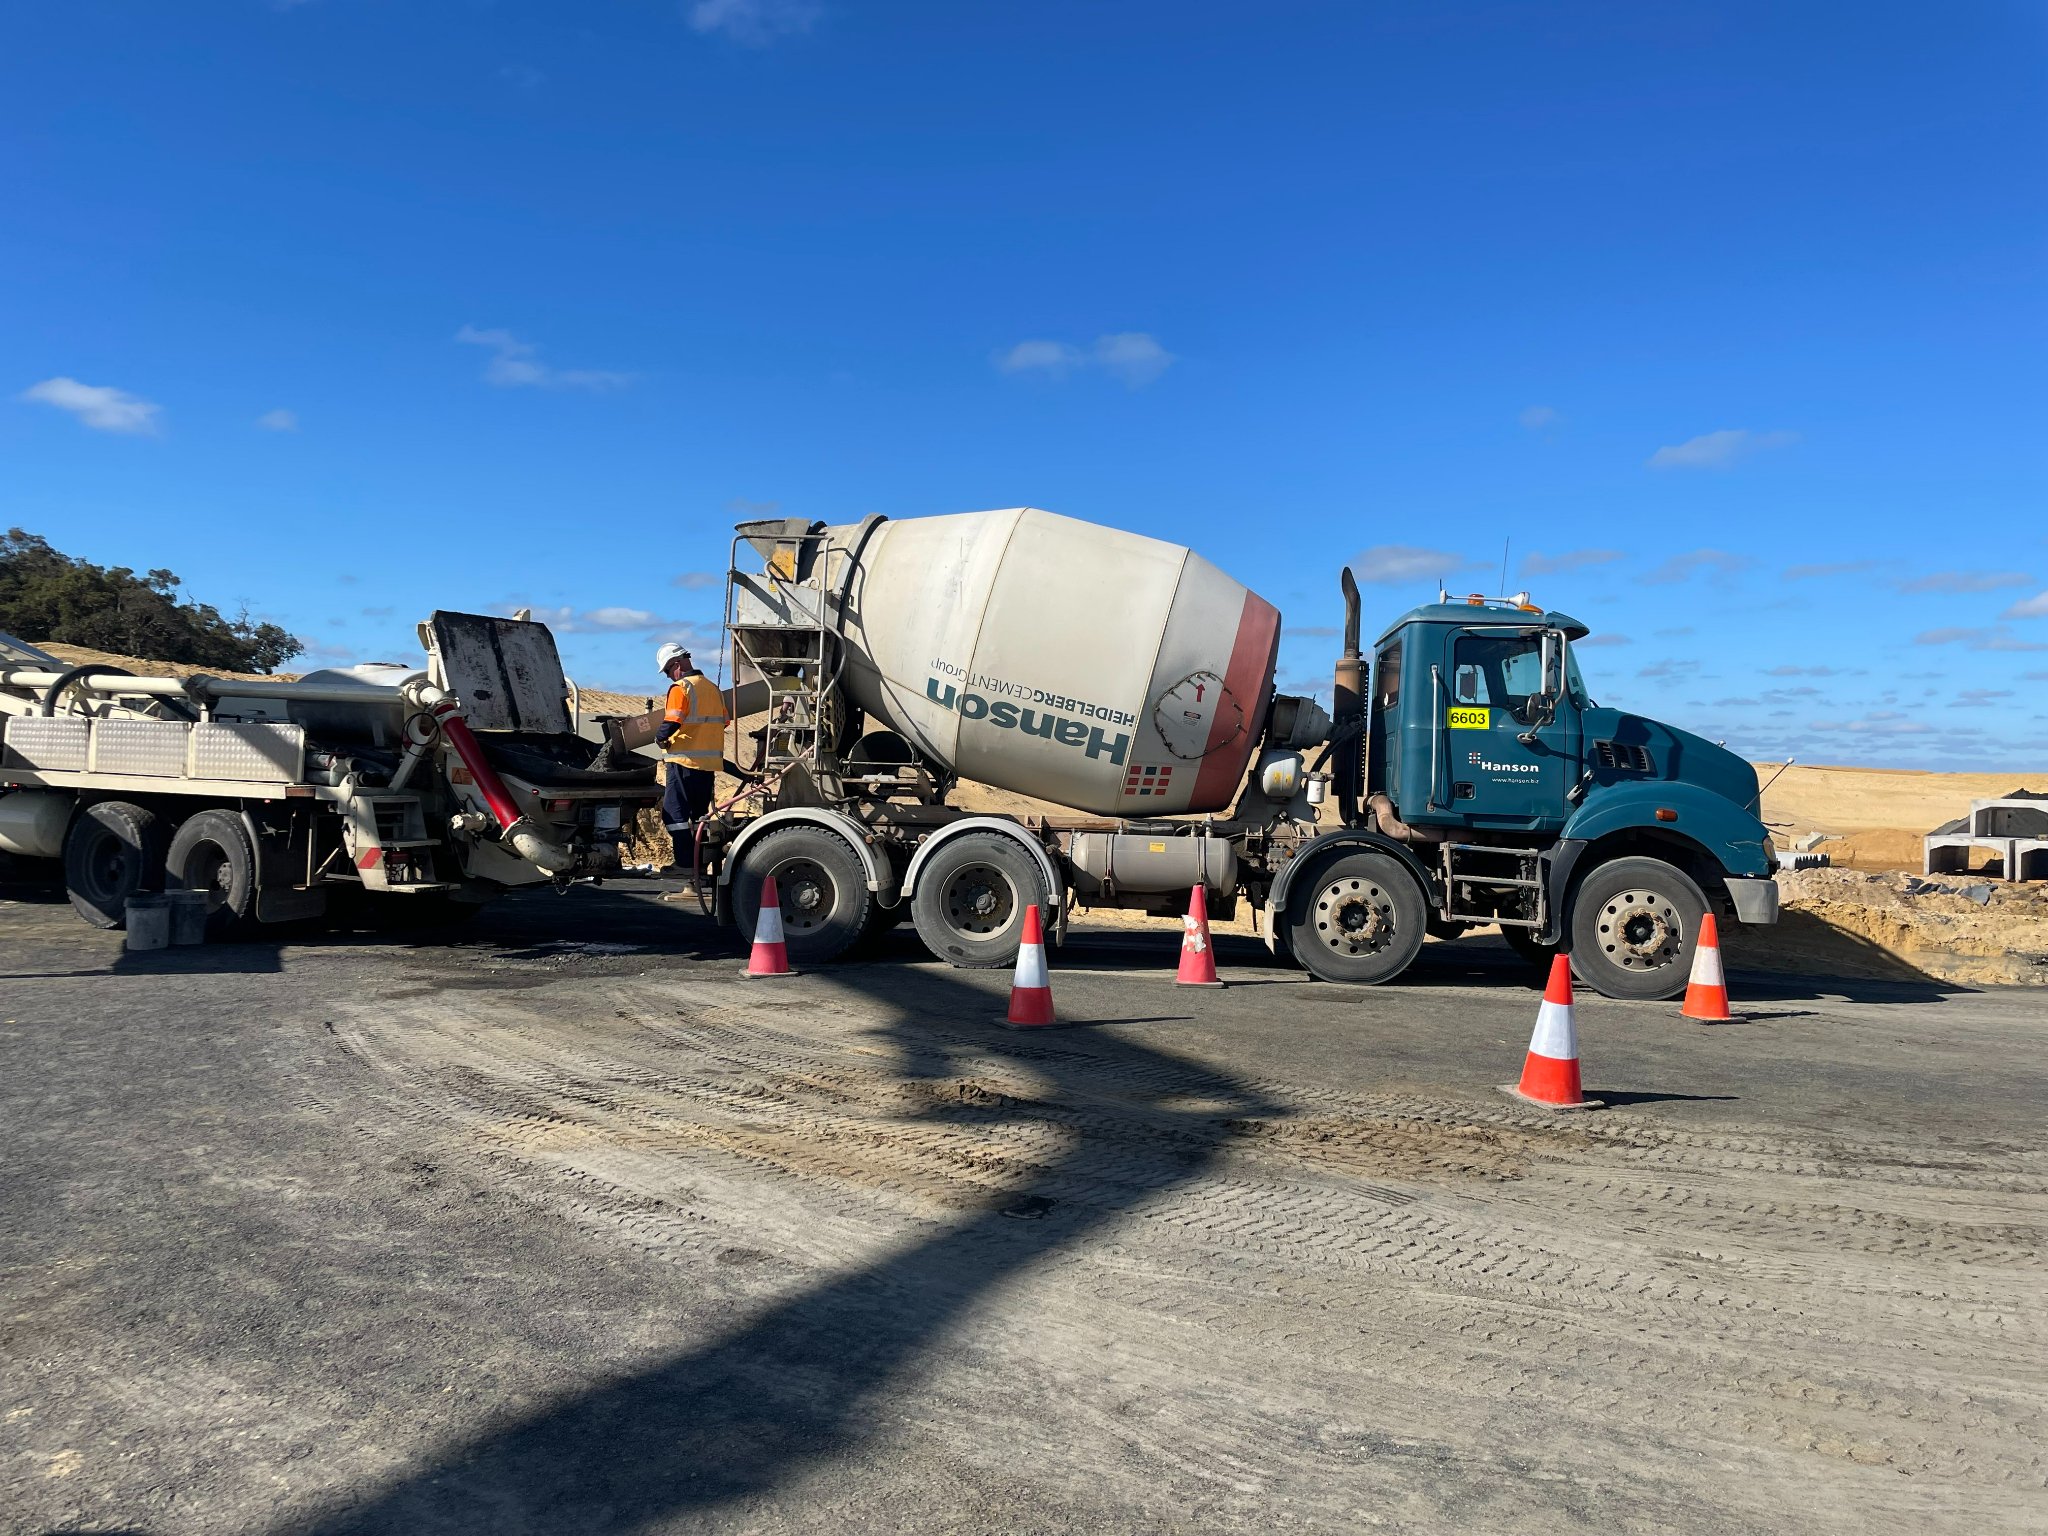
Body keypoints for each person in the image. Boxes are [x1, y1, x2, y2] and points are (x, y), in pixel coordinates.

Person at [653, 642, 727, 878]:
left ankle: (685, 864)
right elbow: (723, 722)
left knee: (674, 815)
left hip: (683, 762)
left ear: (676, 664)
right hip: (707, 766)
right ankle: (698, 866)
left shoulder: (681, 687)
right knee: (698, 818)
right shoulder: (713, 689)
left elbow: (673, 720)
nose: (668, 676)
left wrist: (660, 738)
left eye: (667, 671)